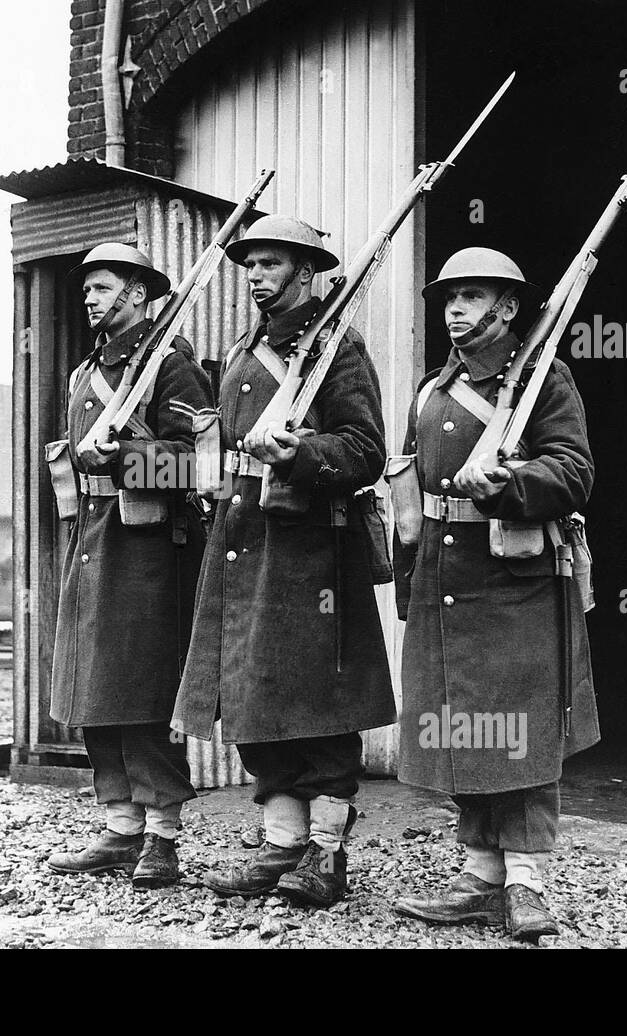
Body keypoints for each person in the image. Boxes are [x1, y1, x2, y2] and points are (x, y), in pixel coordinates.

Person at [171, 215, 395, 908]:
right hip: (241, 541)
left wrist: (300, 453)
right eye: (251, 264)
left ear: (306, 272)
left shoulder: (338, 349)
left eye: (270, 263)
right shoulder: (246, 349)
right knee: (249, 693)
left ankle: (327, 852)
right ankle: (280, 842)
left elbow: (365, 451)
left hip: (309, 552)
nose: (256, 275)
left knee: (319, 702)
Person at [392, 248, 598, 940]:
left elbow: (573, 471)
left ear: (509, 307)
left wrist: (510, 482)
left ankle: (527, 882)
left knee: (523, 733)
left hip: (516, 583)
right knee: (464, 729)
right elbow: (412, 492)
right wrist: (408, 580)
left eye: (472, 296)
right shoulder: (430, 391)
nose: (454, 309)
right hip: (445, 583)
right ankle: (481, 874)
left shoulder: (546, 378)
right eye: (449, 297)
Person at [46, 243, 212, 888]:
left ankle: (162, 837)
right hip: (92, 544)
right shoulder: (83, 374)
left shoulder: (170, 367)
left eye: (103, 285)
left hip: (148, 554)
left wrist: (122, 458)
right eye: (86, 287)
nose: (89, 297)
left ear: (139, 294)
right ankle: (119, 827)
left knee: (142, 696)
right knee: (94, 693)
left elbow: (192, 468)